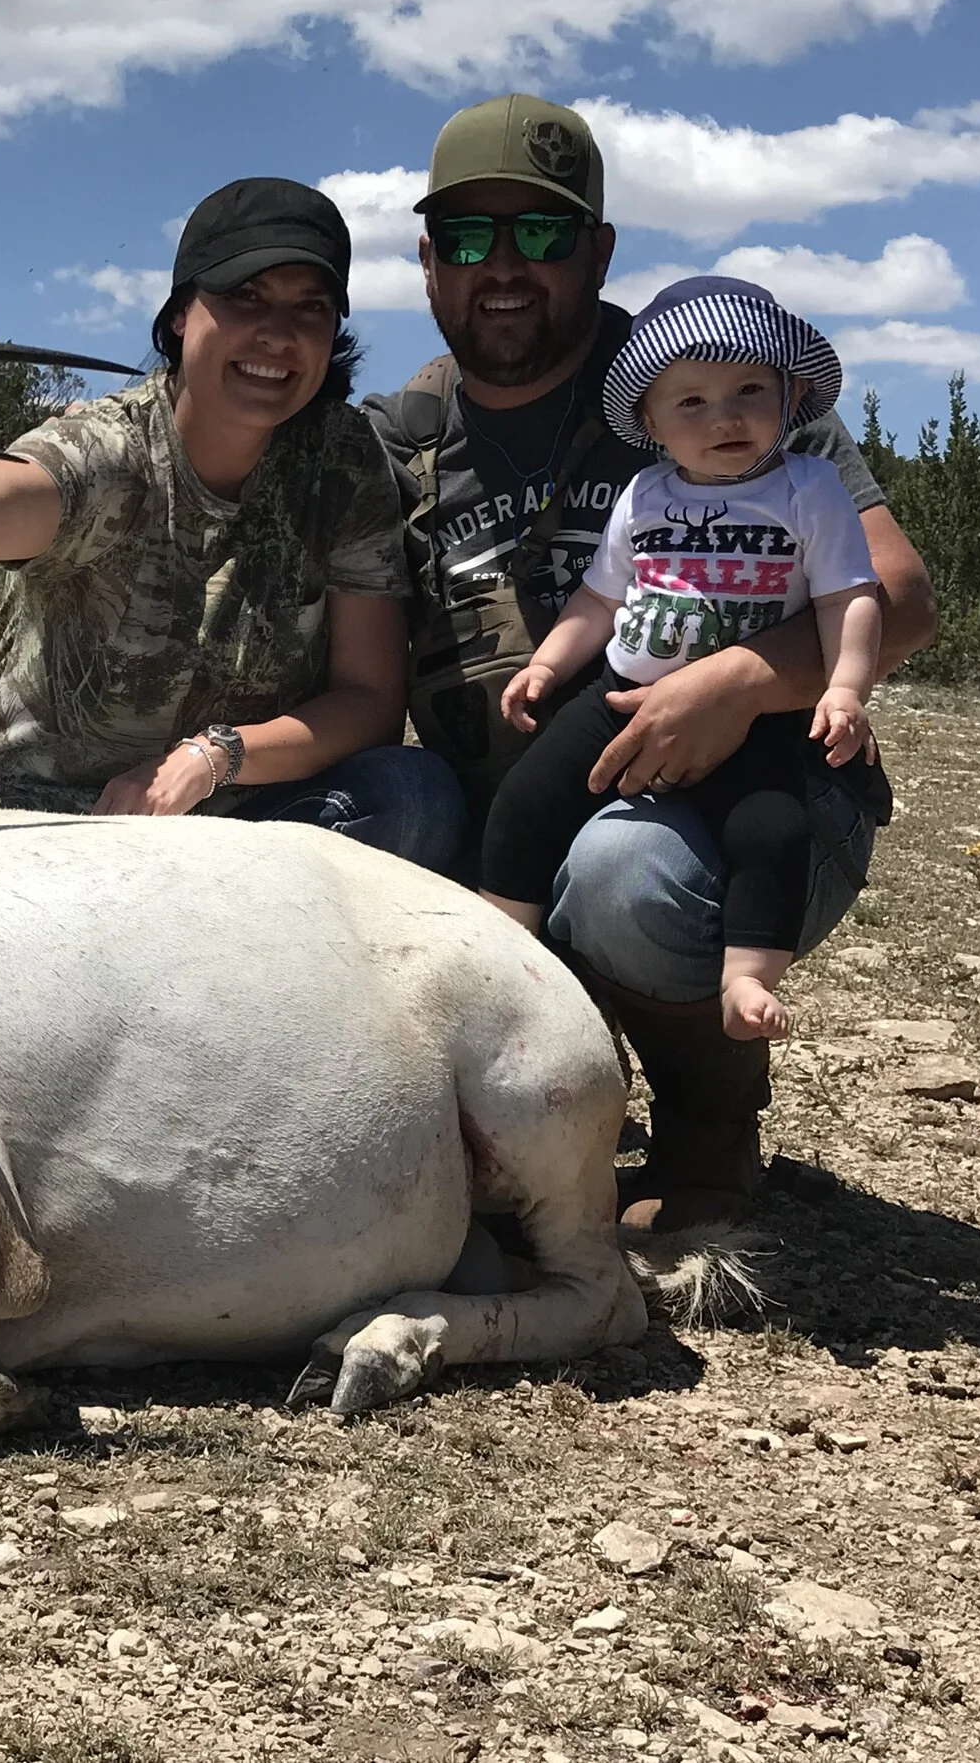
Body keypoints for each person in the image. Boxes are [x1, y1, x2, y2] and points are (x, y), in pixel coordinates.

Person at [362, 95, 938, 1230]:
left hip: (734, 799)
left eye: (544, 233)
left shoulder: (713, 379)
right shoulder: (399, 434)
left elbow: (900, 597)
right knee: (392, 820)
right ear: (429, 262)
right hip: (518, 808)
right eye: (471, 238)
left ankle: (708, 1136)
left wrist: (737, 682)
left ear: (599, 250)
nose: (506, 266)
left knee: (627, 875)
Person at [0, 177, 463, 870]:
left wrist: (215, 757)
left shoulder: (342, 460)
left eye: (310, 309)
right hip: (32, 831)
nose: (277, 334)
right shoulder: (111, 445)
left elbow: (368, 700)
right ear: (179, 317)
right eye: (246, 298)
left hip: (223, 835)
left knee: (412, 793)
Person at [480, 277, 889, 1043]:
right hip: (622, 692)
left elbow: (850, 596)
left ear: (790, 396)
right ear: (651, 421)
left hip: (760, 717)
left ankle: (745, 978)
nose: (725, 416)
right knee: (529, 795)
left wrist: (844, 685)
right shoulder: (643, 494)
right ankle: (500, 947)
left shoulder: (809, 486)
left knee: (770, 828)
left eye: (748, 390)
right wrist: (548, 665)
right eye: (691, 402)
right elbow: (600, 601)